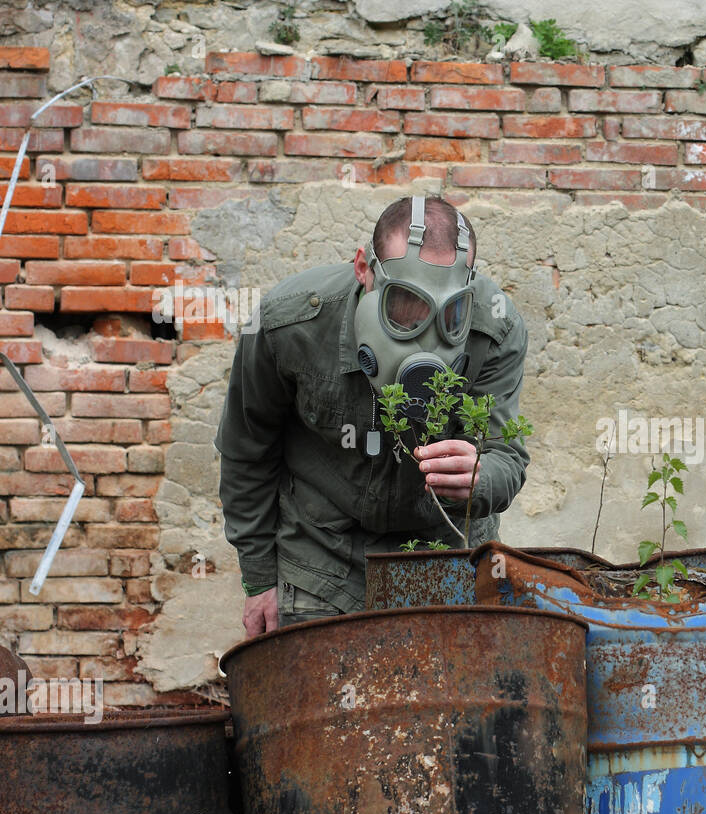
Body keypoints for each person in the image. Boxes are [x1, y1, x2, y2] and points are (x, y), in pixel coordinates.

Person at [216, 195, 530, 636]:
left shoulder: (492, 331)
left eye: (448, 312)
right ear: (364, 268)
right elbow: (246, 450)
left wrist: (481, 477)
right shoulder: (291, 325)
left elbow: (506, 456)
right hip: (319, 563)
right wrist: (259, 579)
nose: (425, 332)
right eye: (405, 304)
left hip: (441, 556)